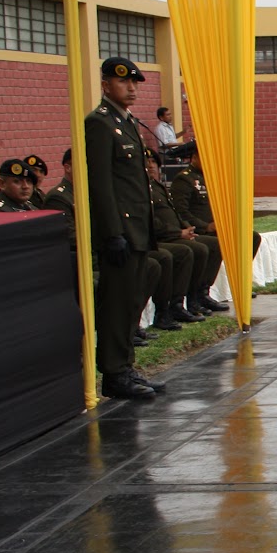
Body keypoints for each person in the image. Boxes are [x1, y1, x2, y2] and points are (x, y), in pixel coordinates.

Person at [86, 56, 165, 399]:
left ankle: (125, 366)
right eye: (123, 82)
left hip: (137, 231)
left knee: (130, 300)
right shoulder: (100, 124)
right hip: (120, 232)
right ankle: (114, 374)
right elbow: (101, 184)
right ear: (105, 85)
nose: (131, 88)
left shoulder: (127, 122)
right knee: (116, 303)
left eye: (134, 83)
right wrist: (112, 232)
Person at [168, 142, 245, 314]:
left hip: (215, 227)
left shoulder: (210, 177)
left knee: (250, 237)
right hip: (199, 228)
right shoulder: (184, 179)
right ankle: (201, 292)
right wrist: (206, 227)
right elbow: (182, 211)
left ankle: (239, 283)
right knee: (213, 245)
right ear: (194, 158)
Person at [145, 151, 210, 329]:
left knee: (199, 248)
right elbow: (150, 221)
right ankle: (170, 307)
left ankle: (196, 297)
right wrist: (178, 232)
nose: (151, 165)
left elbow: (174, 211)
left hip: (176, 233)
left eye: (154, 162)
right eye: (147, 162)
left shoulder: (157, 186)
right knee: (186, 251)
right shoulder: (141, 189)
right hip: (160, 238)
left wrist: (186, 228)